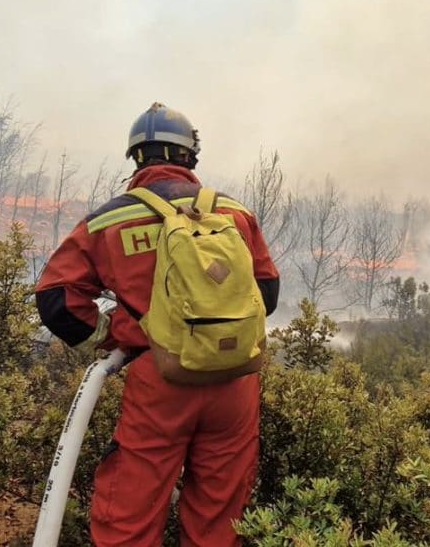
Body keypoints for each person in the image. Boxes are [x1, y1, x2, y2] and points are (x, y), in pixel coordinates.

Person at [35, 102, 280, 546]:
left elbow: (57, 302)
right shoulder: (234, 214)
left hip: (159, 379)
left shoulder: (109, 220)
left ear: (137, 158)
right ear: (190, 156)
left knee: (131, 511)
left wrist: (111, 333)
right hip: (235, 381)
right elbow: (266, 294)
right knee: (221, 518)